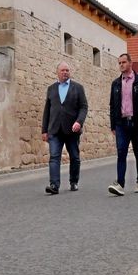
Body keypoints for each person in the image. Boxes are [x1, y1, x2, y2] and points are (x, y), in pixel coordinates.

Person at [108, 53, 138, 196]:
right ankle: (120, 184)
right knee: (121, 152)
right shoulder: (115, 83)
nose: (121, 65)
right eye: (119, 63)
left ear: (130, 63)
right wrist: (113, 125)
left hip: (137, 122)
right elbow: (112, 105)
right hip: (121, 123)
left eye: (124, 62)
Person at [41, 61, 88, 194]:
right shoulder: (51, 89)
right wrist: (44, 130)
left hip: (72, 130)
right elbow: (47, 110)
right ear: (57, 72)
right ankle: (54, 185)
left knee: (74, 156)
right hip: (55, 130)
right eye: (62, 70)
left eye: (67, 70)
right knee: (54, 157)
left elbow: (83, 107)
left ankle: (74, 181)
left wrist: (79, 122)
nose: (65, 72)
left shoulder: (78, 88)